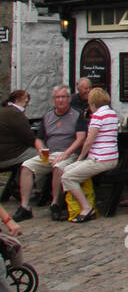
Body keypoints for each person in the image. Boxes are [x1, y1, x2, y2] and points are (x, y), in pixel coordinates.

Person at [15, 86, 86, 222]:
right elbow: (39, 138)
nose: (60, 100)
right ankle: (25, 207)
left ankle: (55, 204)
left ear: (69, 99)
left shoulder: (77, 115)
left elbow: (80, 138)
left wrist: (65, 154)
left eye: (63, 97)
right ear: (53, 100)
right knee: (26, 166)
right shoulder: (48, 116)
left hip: (69, 153)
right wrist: (41, 149)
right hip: (51, 152)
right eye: (57, 97)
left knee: (58, 167)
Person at [60, 87, 119, 222]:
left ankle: (86, 207)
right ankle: (74, 205)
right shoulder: (112, 113)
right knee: (67, 170)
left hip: (99, 159)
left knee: (68, 177)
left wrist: (80, 158)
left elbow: (89, 141)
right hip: (111, 157)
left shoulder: (98, 116)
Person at [0, 91, 38, 174]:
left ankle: (18, 181)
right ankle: (34, 184)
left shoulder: (4, 110)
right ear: (17, 100)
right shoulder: (15, 113)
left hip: (3, 152)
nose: (27, 103)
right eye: (26, 100)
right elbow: (29, 138)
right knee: (41, 155)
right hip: (6, 156)